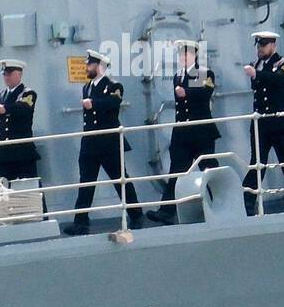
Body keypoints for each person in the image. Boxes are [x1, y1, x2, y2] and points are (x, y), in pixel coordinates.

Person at [63, 50, 143, 235]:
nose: (86, 68)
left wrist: (95, 104)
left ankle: (136, 214)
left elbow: (113, 103)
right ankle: (80, 221)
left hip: (108, 142)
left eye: (89, 65)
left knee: (120, 179)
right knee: (86, 182)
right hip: (90, 142)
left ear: (99, 66)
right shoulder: (87, 87)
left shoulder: (114, 85)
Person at [147, 40, 219, 224]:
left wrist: (186, 92)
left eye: (186, 54)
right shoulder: (177, 76)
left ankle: (222, 203)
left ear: (194, 55)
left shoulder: (204, 73)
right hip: (183, 133)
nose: (183, 58)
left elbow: (205, 93)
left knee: (209, 168)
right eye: (181, 55)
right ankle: (166, 210)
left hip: (201, 131)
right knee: (176, 171)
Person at [241, 30, 284, 214]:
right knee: (257, 163)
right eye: (258, 45)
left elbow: (280, 81)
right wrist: (256, 73)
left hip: (280, 123)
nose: (259, 49)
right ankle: (247, 199)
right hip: (261, 123)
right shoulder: (257, 65)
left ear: (272, 45)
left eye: (263, 45)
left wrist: (257, 74)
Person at [0, 59, 41, 183]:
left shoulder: (28, 93)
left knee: (31, 187)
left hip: (22, 150)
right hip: (4, 152)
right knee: (0, 186)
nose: (6, 77)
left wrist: (5, 108)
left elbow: (23, 108)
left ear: (19, 74)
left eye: (9, 73)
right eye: (4, 74)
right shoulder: (2, 95)